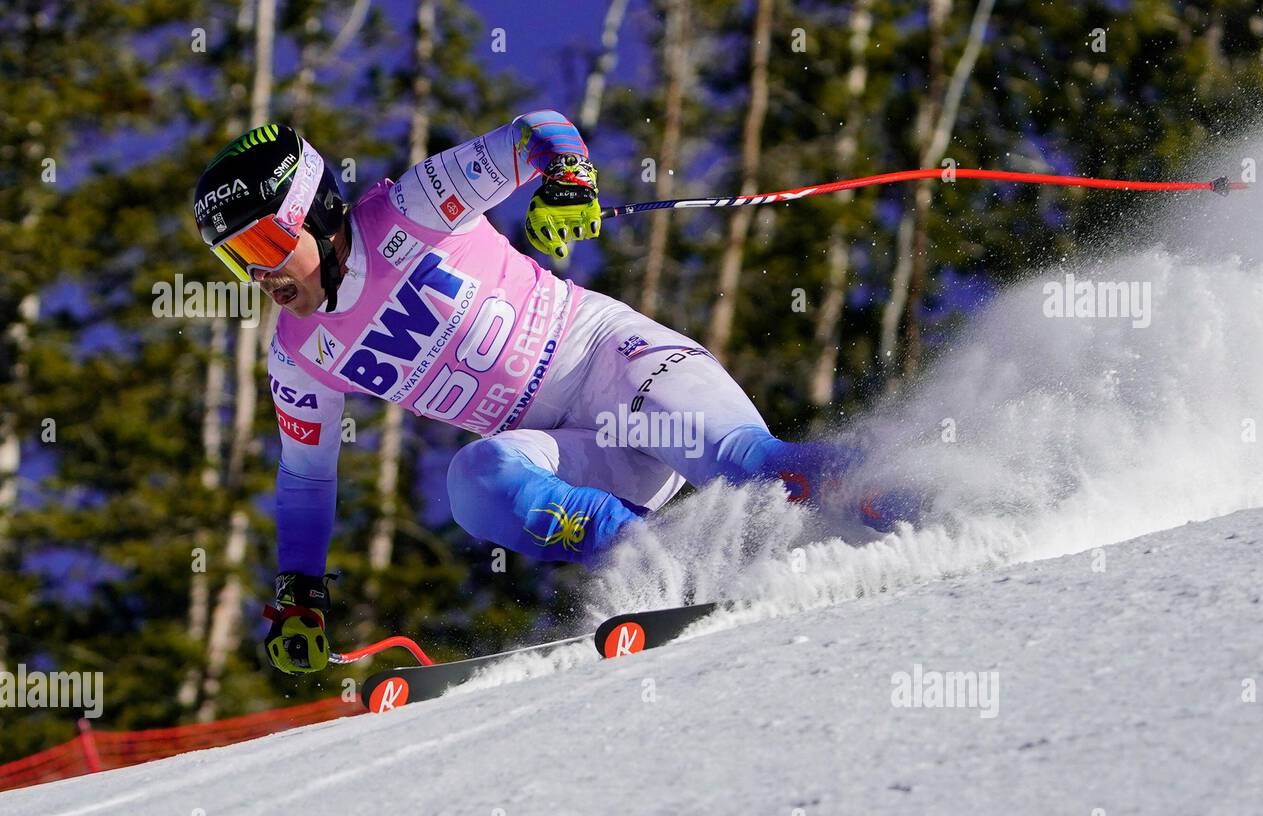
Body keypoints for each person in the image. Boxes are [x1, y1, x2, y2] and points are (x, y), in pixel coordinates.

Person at [192, 113, 911, 674]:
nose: (257, 276)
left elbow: (537, 131)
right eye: (234, 260)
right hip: (574, 453)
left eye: (260, 246)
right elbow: (305, 480)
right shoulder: (299, 356)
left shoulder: (408, 208)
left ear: (314, 212)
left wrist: (567, 178)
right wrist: (302, 595)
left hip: (613, 364)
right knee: (475, 481)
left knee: (746, 464)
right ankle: (675, 567)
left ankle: (923, 503)